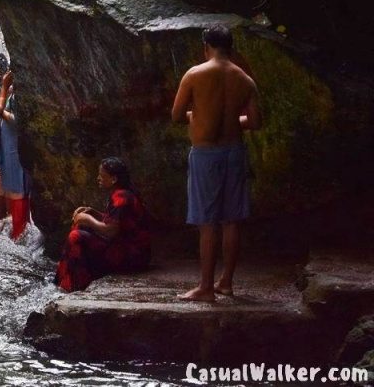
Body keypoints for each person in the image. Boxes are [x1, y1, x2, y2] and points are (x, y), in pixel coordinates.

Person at [171, 25, 262, 301]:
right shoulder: (245, 79)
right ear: (231, 48)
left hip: (206, 153)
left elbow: (176, 115)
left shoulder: (195, 74)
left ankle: (206, 288)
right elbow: (256, 122)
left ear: (206, 46)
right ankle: (227, 283)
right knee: (231, 220)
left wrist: (198, 117)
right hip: (234, 152)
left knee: (208, 223)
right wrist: (231, 120)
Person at [54, 157, 151, 292]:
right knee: (80, 227)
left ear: (113, 179)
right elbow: (117, 222)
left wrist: (88, 219)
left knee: (76, 236)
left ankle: (73, 284)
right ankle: (65, 279)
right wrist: (93, 213)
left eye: (101, 175)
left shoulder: (121, 197)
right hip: (131, 251)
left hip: (132, 257)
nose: (98, 178)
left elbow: (111, 231)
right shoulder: (122, 193)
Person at [0, 70, 29, 240]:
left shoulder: (20, 96)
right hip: (9, 149)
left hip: (16, 151)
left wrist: (0, 110)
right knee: (12, 189)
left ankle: (20, 231)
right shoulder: (13, 95)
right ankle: (17, 229)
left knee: (19, 189)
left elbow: (17, 122)